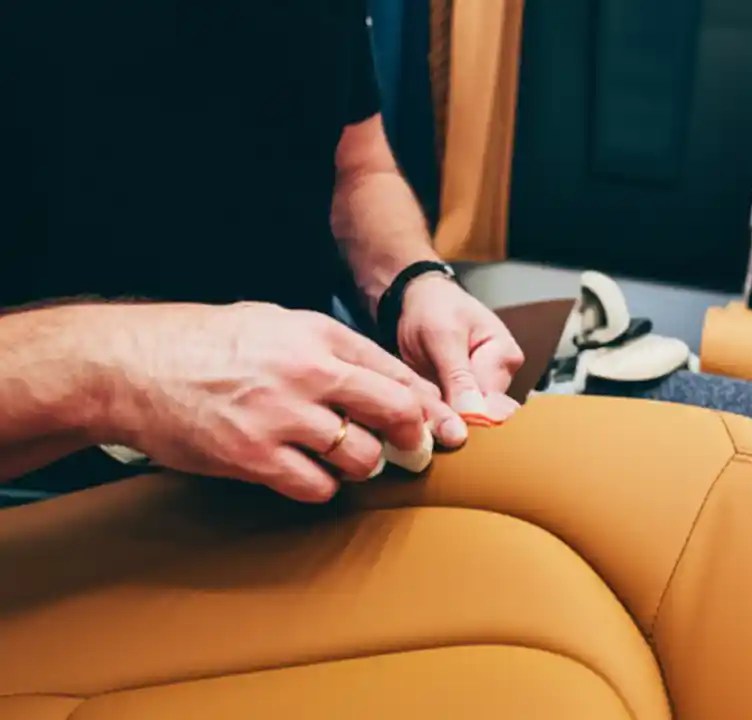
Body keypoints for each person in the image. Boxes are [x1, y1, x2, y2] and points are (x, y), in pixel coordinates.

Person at [0, 0, 524, 502]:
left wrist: (413, 281)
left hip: (300, 473)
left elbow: (358, 168)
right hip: (41, 508)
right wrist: (122, 373)